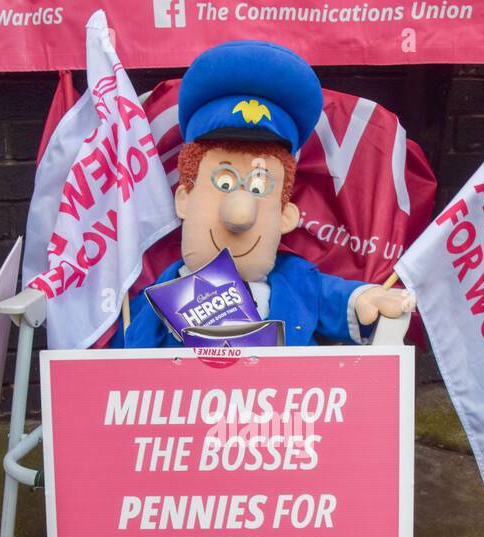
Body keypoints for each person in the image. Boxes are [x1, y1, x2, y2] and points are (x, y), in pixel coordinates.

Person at [114, 40, 414, 348]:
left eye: (259, 187)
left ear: (286, 216)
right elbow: (126, 358)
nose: (240, 212)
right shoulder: (160, 296)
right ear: (184, 200)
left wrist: (365, 297)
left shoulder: (298, 283)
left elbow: (336, 299)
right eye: (225, 182)